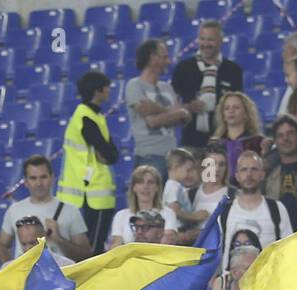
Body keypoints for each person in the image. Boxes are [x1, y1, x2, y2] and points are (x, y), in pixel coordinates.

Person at [58, 70, 119, 255]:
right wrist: (108, 153)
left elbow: (109, 152)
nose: (109, 91)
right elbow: (110, 153)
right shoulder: (86, 117)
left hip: (87, 190)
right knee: (93, 249)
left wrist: (108, 153)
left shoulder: (93, 116)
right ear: (97, 91)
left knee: (91, 247)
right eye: (106, 88)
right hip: (93, 192)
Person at [0, 155, 92, 262]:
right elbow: (2, 245)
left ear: (52, 178)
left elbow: (86, 254)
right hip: (27, 276)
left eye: (43, 177)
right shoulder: (14, 210)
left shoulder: (70, 210)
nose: (39, 183)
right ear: (26, 182)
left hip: (61, 275)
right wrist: (9, 269)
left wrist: (59, 240)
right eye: (33, 178)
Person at [171, 19, 243, 149]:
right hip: (191, 141)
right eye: (202, 39)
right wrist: (187, 107)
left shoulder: (233, 70)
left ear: (220, 41)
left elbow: (240, 105)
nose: (205, 44)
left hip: (223, 140)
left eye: (210, 40)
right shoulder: (183, 68)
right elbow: (171, 104)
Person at [126, 39, 187, 177]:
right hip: (150, 157)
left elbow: (184, 118)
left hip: (172, 157)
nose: (169, 61)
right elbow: (152, 122)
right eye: (165, 56)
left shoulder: (167, 87)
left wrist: (157, 109)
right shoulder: (135, 86)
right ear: (153, 58)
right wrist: (175, 113)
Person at [220, 150, 294, 255]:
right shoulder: (224, 211)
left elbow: (288, 249)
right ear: (237, 176)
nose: (249, 174)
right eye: (244, 170)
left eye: (254, 169)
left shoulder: (277, 209)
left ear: (262, 174)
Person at [109, 165, 179, 248]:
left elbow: (168, 241)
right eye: (140, 182)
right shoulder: (121, 215)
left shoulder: (168, 213)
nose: (145, 187)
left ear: (157, 187)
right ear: (134, 187)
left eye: (150, 182)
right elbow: (115, 246)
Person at [212, 91, 268, 181]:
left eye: (236, 107)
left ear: (246, 113)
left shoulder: (258, 142)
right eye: (227, 108)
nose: (231, 111)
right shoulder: (216, 144)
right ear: (223, 115)